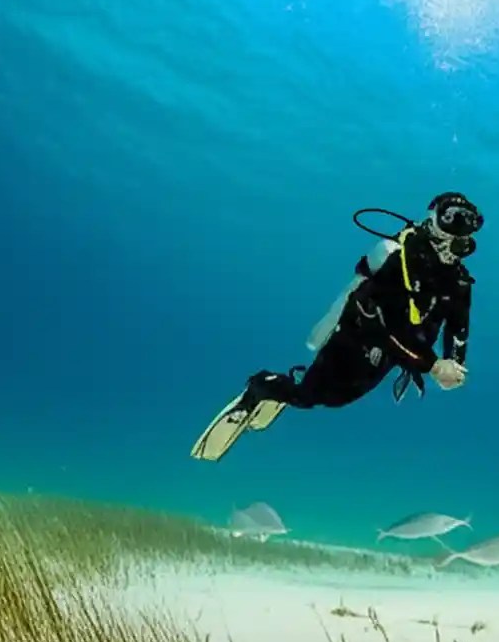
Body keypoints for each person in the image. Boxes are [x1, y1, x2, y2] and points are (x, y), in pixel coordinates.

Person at [191, 192, 483, 462]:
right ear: (433, 221)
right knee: (313, 397)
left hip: (401, 355)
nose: (457, 238)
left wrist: (455, 366)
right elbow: (387, 327)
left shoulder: (458, 282)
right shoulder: (399, 259)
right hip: (357, 338)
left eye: (466, 226)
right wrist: (433, 366)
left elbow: (458, 327)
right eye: (451, 218)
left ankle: (293, 384)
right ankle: (260, 386)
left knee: (339, 399)